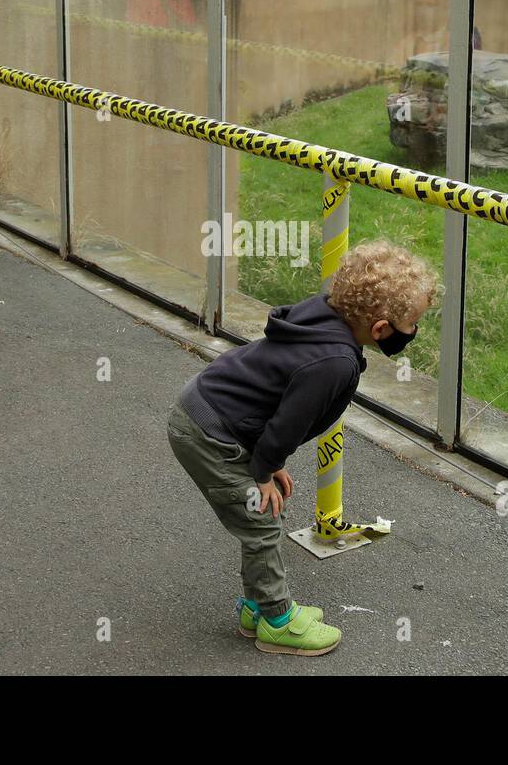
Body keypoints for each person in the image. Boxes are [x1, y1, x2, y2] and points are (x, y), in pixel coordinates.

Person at [166, 240, 438, 655]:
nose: (413, 333)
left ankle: (255, 609)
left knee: (261, 516)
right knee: (260, 521)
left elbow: (276, 403)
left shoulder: (325, 314)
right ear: (381, 329)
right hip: (209, 433)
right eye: (412, 325)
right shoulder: (334, 362)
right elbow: (287, 424)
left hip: (213, 408)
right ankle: (277, 621)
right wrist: (263, 470)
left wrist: (266, 463)